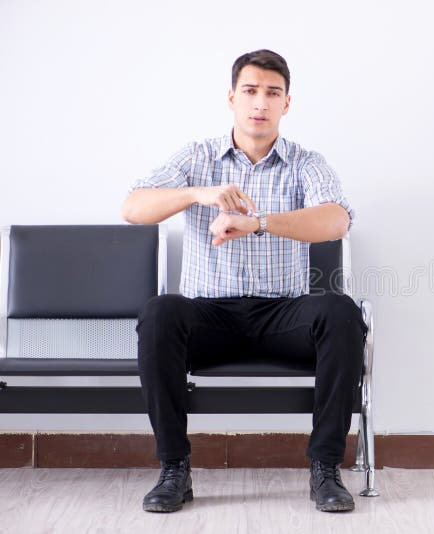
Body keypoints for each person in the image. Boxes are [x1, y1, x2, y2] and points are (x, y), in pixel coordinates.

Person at [121, 49, 366, 514]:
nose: (260, 102)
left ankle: (326, 469)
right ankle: (175, 468)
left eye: (272, 93)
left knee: (340, 311)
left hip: (282, 316)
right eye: (251, 91)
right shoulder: (197, 157)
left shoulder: (305, 162)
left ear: (286, 104)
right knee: (159, 312)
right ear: (232, 98)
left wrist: (259, 223)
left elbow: (336, 221)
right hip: (209, 316)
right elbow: (132, 208)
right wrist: (199, 193)